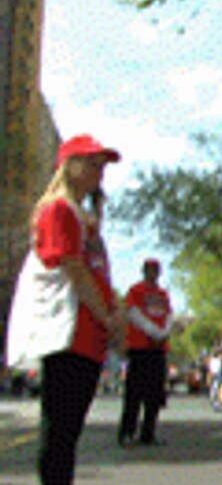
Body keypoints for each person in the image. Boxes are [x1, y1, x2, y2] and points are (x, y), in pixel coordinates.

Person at [5, 134, 124, 485]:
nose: (98, 172)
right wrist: (105, 315)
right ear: (67, 166)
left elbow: (97, 272)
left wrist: (111, 315)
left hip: (88, 334)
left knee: (68, 433)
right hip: (69, 333)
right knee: (59, 432)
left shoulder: (82, 218)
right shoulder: (58, 210)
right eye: (91, 163)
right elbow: (73, 269)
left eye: (101, 166)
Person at [118, 257, 173, 447]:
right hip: (139, 347)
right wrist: (153, 331)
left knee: (155, 394)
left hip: (158, 349)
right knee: (134, 393)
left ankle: (148, 433)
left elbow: (169, 315)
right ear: (144, 271)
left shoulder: (163, 294)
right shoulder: (136, 291)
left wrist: (164, 333)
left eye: (156, 270)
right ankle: (127, 432)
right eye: (149, 269)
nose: (153, 273)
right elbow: (133, 313)